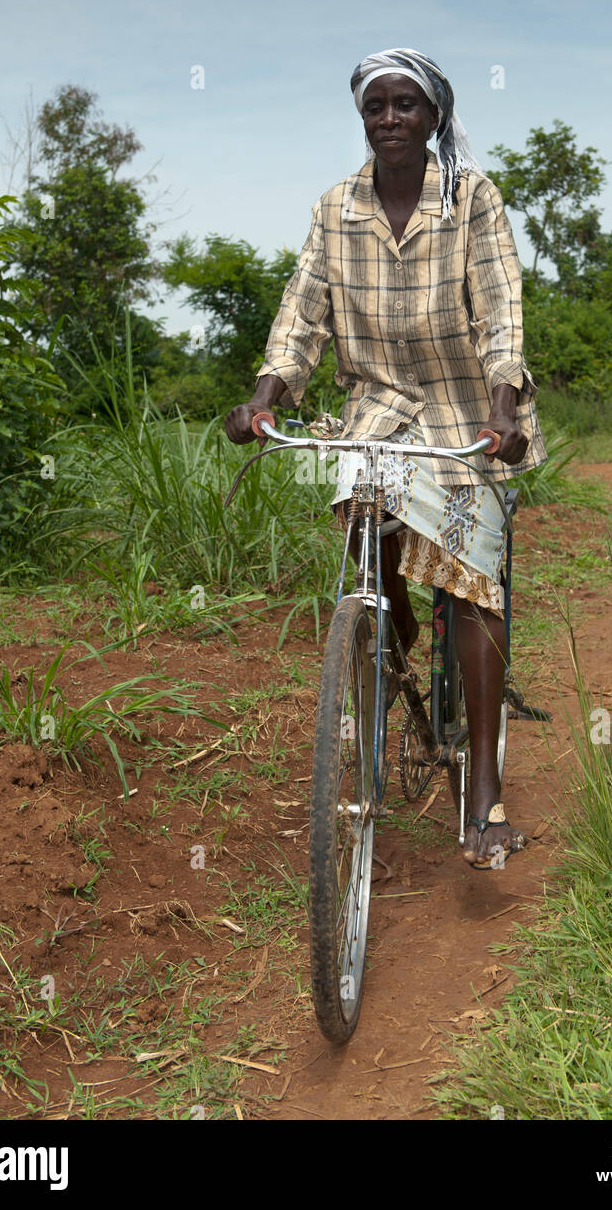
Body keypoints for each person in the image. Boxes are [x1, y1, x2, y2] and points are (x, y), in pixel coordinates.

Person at [225, 48, 547, 868]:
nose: (391, 118)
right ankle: (384, 644)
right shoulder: (336, 208)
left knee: (468, 572)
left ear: (436, 117)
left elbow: (502, 310)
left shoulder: (470, 199)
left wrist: (505, 409)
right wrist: (266, 398)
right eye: (377, 107)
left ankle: (482, 786)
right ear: (362, 118)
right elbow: (301, 313)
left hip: (469, 406)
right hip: (376, 404)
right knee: (370, 528)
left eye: (407, 105)